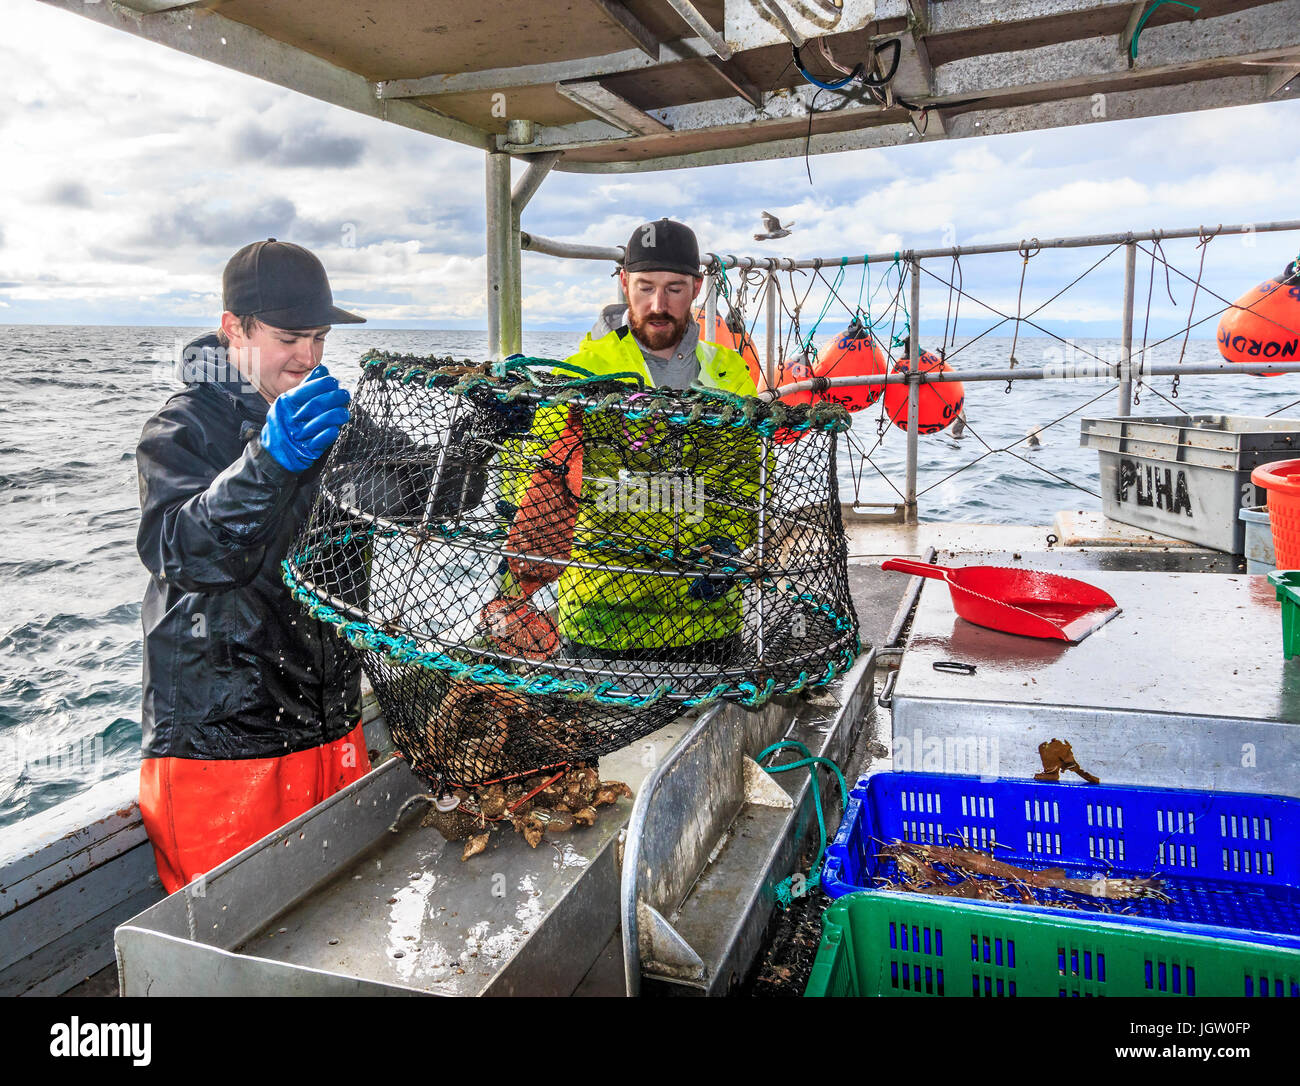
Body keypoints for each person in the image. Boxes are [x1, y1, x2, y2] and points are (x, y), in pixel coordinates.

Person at [135, 239, 371, 894]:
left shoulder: (333, 421)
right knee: (230, 948)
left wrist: (476, 439)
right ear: (232, 329)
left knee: (337, 923)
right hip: (223, 755)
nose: (310, 356)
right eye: (292, 337)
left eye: (320, 337)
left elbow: (419, 494)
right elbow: (183, 552)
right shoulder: (179, 432)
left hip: (332, 729)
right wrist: (270, 461)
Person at [506, 220, 763, 674]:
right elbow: (527, 486)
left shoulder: (728, 373)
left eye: (675, 289)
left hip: (708, 619)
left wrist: (728, 542)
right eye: (645, 287)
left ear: (698, 288)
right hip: (602, 619)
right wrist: (512, 434)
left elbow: (745, 480)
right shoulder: (579, 374)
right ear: (624, 282)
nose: (658, 305)